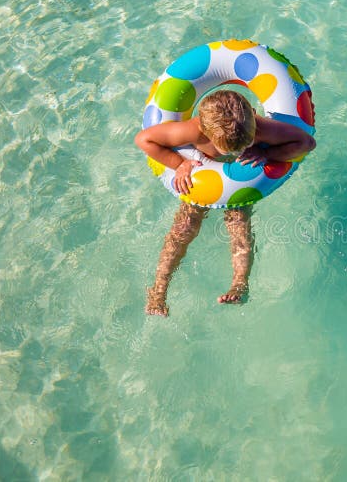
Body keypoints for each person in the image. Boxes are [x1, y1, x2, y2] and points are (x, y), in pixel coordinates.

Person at [134, 90, 315, 317]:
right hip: (200, 178)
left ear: (253, 113)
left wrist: (267, 154)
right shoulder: (193, 130)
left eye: (246, 144)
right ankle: (158, 292)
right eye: (233, 149)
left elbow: (306, 142)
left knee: (239, 224)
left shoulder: (259, 127)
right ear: (203, 129)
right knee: (184, 227)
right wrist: (178, 163)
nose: (241, 151)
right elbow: (144, 139)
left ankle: (239, 284)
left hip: (239, 182)